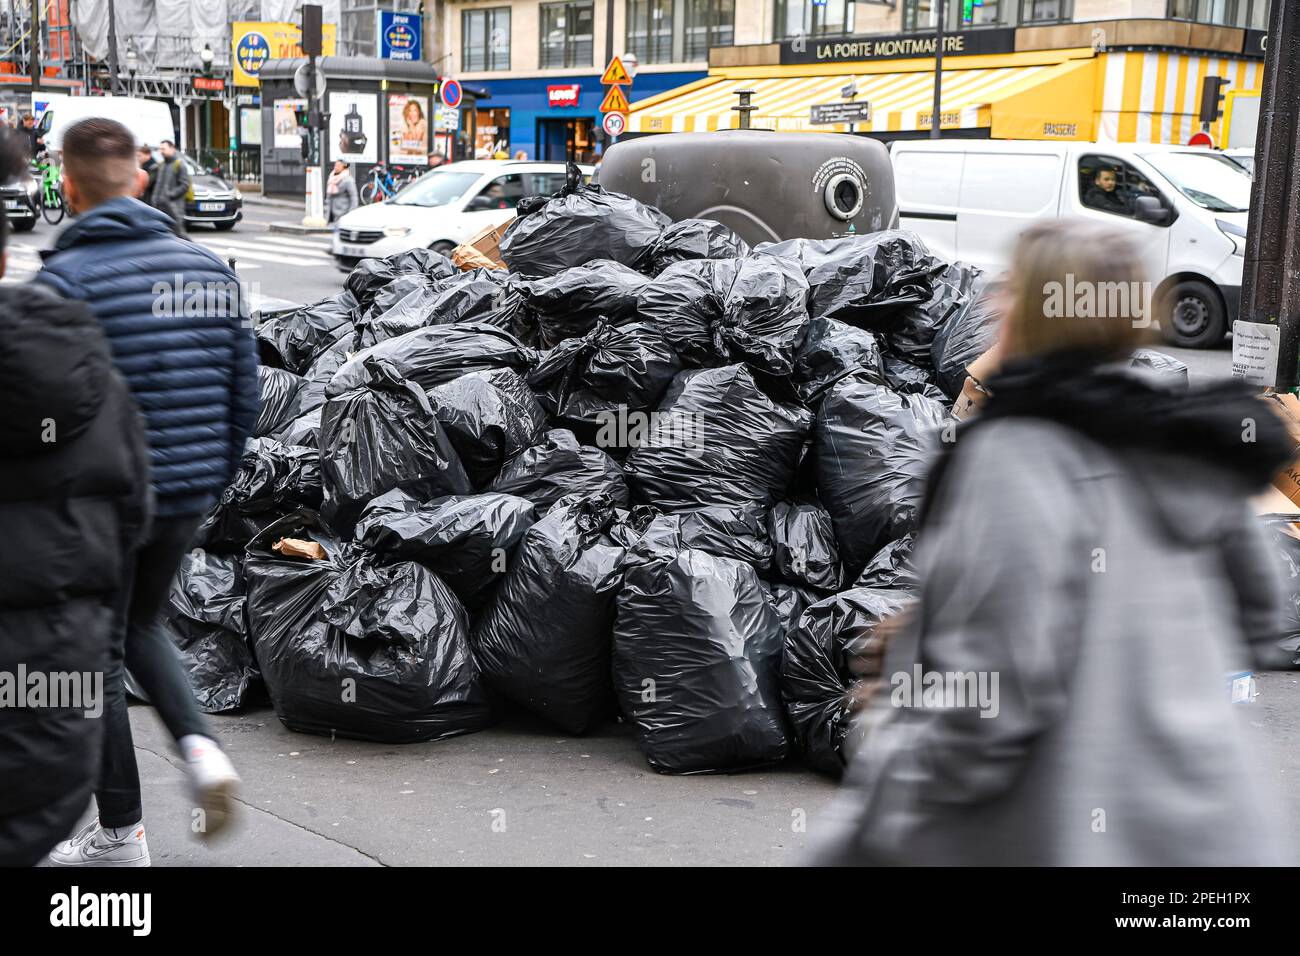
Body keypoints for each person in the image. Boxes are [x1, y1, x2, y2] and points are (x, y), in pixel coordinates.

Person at [810, 219, 1294, 866]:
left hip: (1075, 831)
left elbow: (995, 691)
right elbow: (1263, 612)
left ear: (1037, 312)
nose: (991, 301)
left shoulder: (1017, 454)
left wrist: (890, 792)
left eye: (1010, 290)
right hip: (1216, 832)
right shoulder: (1185, 437)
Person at [36, 118, 259, 867]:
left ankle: (121, 834)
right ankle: (203, 753)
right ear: (138, 179)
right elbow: (245, 393)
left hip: (103, 504)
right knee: (143, 626)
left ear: (66, 188)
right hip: (188, 492)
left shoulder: (64, 283)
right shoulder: (208, 269)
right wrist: (210, 478)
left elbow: (46, 415)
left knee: (97, 654)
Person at [0, 126, 151, 868]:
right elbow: (132, 508)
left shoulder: (65, 288)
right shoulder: (70, 356)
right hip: (44, 741)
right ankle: (124, 828)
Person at [150, 138, 190, 235]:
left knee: (179, 235)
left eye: (163, 149)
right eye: (160, 149)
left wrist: (170, 195)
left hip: (174, 209)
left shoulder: (179, 165)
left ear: (172, 149)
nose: (161, 151)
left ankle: (191, 250)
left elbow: (185, 185)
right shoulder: (161, 165)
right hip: (160, 207)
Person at [327, 159, 358, 225]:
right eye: (335, 165)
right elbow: (329, 195)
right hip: (332, 213)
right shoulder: (332, 177)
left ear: (344, 167)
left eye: (338, 166)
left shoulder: (348, 180)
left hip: (343, 212)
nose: (336, 167)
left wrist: (351, 213)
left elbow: (354, 196)